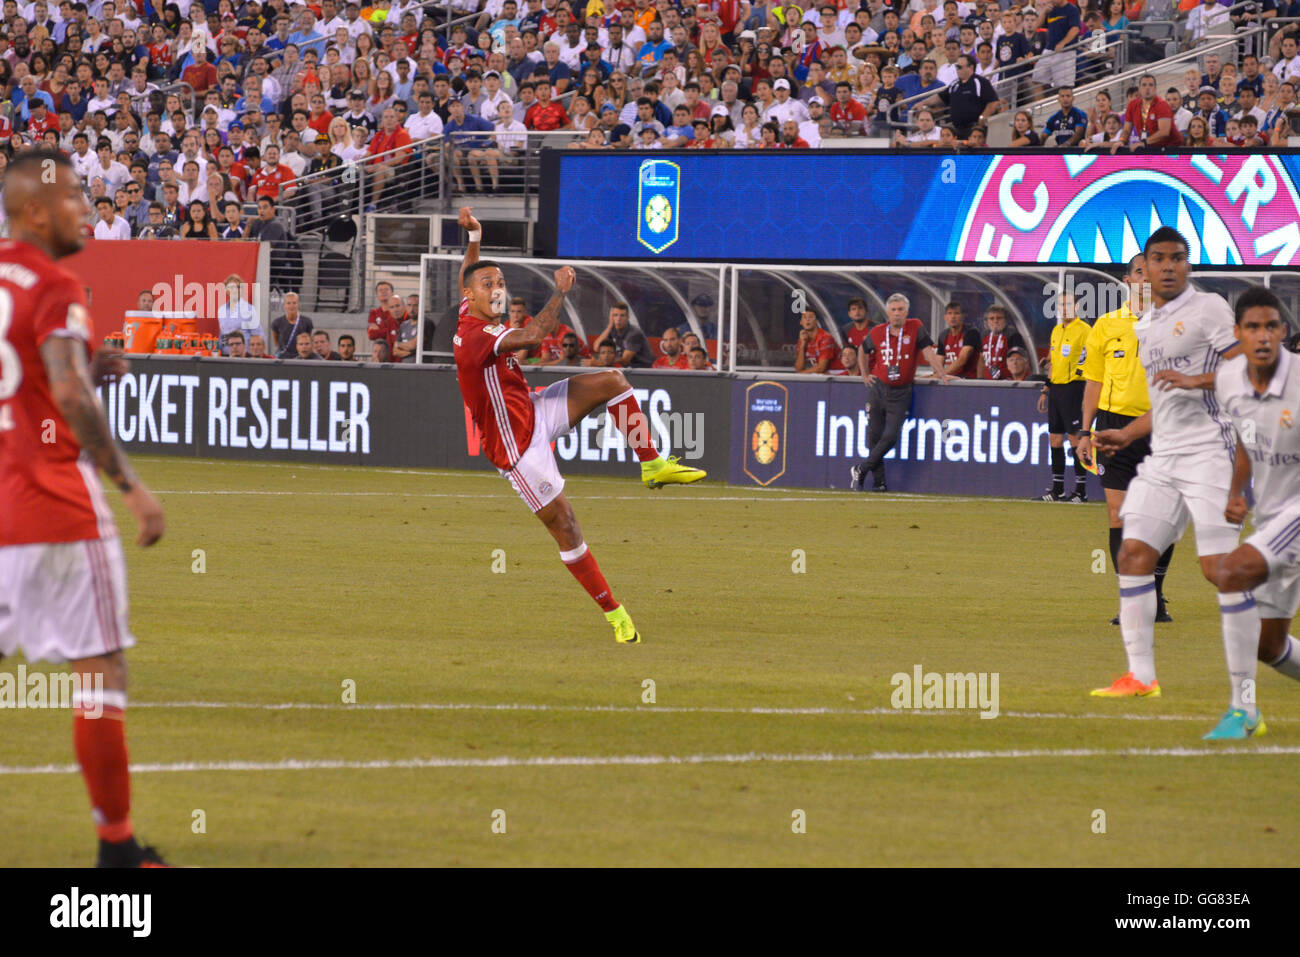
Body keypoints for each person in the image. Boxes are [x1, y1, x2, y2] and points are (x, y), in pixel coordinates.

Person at [0, 149, 168, 868]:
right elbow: (67, 395)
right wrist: (131, 484)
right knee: (98, 669)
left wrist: (79, 363)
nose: (86, 209)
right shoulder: (55, 282)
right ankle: (117, 847)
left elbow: (37, 375)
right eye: (72, 196)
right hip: (57, 508)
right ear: (35, 209)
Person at [452, 207, 704, 645]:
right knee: (567, 527)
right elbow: (532, 338)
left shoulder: (470, 311)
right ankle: (615, 614)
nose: (496, 288)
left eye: (500, 282)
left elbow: (467, 275)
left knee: (612, 380)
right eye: (487, 285)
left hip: (531, 410)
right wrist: (560, 292)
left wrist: (476, 236)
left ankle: (652, 464)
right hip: (515, 450)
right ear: (472, 296)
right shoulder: (477, 336)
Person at [1090, 227, 1243, 706]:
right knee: (1133, 554)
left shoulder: (1210, 308)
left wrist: (1196, 378)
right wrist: (1128, 433)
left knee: (1219, 571)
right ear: (1145, 268)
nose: (1169, 266)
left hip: (1211, 454)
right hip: (1163, 455)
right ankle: (1141, 676)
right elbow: (1167, 402)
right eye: (1159, 259)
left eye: (1178, 257)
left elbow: (1247, 371)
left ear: (1188, 264)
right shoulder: (1147, 326)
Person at [1214, 287, 1300, 738]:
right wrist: (1236, 492)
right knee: (1270, 646)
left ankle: (1242, 711)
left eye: (1271, 326)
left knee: (1232, 572)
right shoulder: (1229, 380)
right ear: (1238, 334)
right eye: (1253, 327)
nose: (1263, 335)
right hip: (1272, 518)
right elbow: (1247, 441)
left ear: (1284, 332)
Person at [1077, 254, 1175, 626]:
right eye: (1140, 272)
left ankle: (1157, 596)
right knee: (1119, 515)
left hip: (1162, 426)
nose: (1146, 278)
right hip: (1113, 426)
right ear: (1128, 280)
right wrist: (1085, 430)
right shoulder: (1105, 325)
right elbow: (1094, 382)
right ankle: (1135, 602)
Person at [849, 292, 949, 492]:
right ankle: (879, 483)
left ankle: (861, 468)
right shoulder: (878, 331)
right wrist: (865, 375)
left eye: (900, 310)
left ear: (907, 312)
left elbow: (928, 351)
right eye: (893, 310)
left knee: (891, 436)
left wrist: (942, 374)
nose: (897, 314)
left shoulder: (915, 327)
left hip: (901, 392)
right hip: (878, 389)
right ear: (887, 312)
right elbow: (862, 349)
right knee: (874, 437)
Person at [1037, 289, 1090, 502]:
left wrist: (1078, 376)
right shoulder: (1056, 331)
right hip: (1056, 389)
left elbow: (1088, 358)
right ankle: (1057, 488)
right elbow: (1054, 362)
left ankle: (1080, 491)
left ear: (1076, 307)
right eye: (1061, 305)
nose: (1065, 309)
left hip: (1074, 388)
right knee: (1055, 438)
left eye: (1069, 305)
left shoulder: (1085, 330)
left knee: (1075, 438)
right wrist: (1046, 389)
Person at [592, 301, 654, 367]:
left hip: (643, 370)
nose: (618, 319)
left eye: (622, 315)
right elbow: (596, 348)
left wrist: (600, 363)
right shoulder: (612, 330)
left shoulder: (634, 333)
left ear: (628, 317)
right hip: (627, 369)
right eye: (615, 315)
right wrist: (610, 325)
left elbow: (625, 360)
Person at [216, 273, 261, 353]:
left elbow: (257, 336)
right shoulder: (221, 310)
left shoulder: (249, 310)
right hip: (226, 356)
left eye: (238, 287)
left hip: (244, 357)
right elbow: (222, 335)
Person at [977, 305, 1024, 380]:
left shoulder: (1012, 335)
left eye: (999, 318)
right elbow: (981, 361)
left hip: (1007, 383)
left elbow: (1020, 362)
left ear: (1005, 320)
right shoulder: (984, 335)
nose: (995, 321)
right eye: (992, 318)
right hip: (986, 383)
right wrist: (979, 379)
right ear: (987, 321)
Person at [938, 300, 980, 378]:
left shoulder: (971, 332)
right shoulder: (943, 336)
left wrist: (940, 374)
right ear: (945, 317)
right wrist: (936, 374)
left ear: (963, 316)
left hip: (969, 381)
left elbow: (962, 360)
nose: (953, 317)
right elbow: (938, 364)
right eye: (949, 313)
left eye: (956, 313)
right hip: (950, 379)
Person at [270, 291, 313, 359]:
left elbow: (308, 340)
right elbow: (276, 343)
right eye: (288, 303)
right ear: (284, 305)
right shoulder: (277, 322)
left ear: (298, 304)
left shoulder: (307, 322)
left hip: (301, 358)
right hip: (283, 358)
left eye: (294, 303)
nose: (291, 306)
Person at [794, 308, 837, 373]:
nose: (807, 319)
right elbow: (799, 368)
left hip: (838, 372)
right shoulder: (802, 339)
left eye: (810, 317)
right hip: (823, 375)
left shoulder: (825, 337)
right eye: (805, 317)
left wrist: (800, 375)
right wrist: (803, 345)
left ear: (816, 321)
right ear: (801, 322)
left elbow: (821, 368)